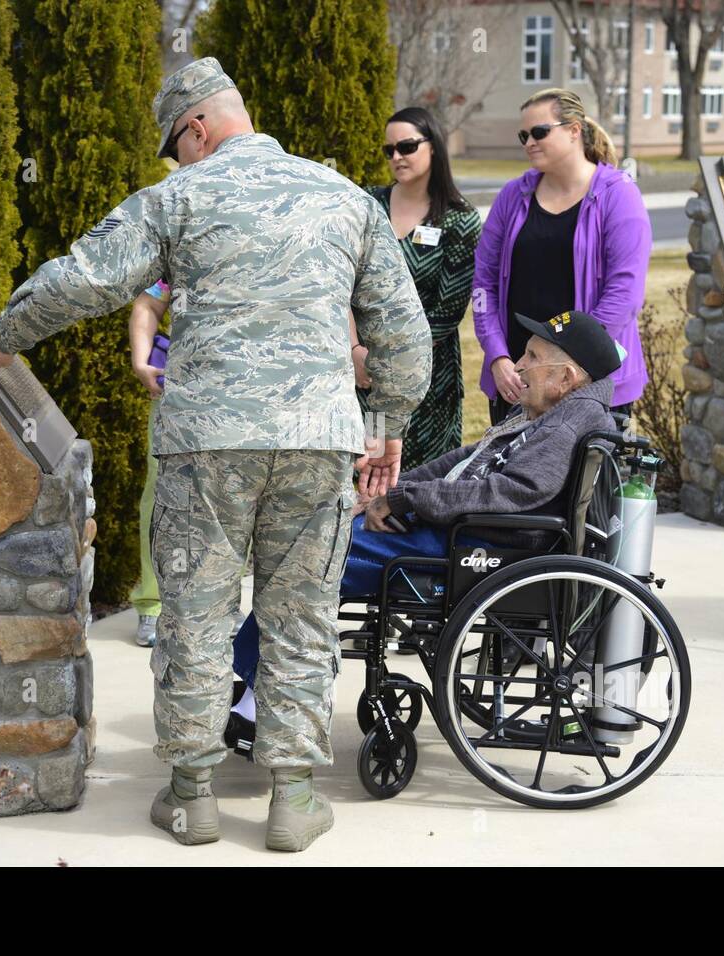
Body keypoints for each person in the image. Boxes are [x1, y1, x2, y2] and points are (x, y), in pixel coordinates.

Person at [0, 57, 431, 853]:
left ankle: (191, 798)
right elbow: (407, 337)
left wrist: (4, 336)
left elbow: (84, 279)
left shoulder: (178, 197)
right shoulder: (347, 199)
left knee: (196, 616)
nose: (176, 159)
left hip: (206, 443)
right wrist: (385, 419)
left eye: (175, 145)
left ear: (198, 127)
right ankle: (292, 800)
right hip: (317, 441)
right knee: (302, 619)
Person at [232, 309, 624, 687]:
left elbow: (511, 492)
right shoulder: (551, 410)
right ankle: (257, 679)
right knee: (317, 542)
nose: (518, 365)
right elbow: (467, 458)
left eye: (532, 357)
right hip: (464, 535)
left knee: (314, 556)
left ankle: (253, 685)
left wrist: (407, 500)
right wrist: (388, 494)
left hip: (478, 546)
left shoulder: (566, 423)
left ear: (567, 378)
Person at [473, 88, 651, 425]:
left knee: (584, 480)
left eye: (539, 132)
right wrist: (497, 356)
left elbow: (625, 293)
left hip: (590, 381)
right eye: (523, 135)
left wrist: (569, 367)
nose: (529, 142)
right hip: (516, 380)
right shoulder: (513, 195)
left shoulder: (618, 195)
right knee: (511, 478)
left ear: (574, 130)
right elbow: (483, 284)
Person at [351, 107, 482, 472]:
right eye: (388, 150)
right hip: (363, 370)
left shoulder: (459, 218)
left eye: (406, 146)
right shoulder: (367, 205)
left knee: (421, 476)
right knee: (368, 463)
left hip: (428, 372)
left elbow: (448, 310)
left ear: (434, 146)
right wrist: (356, 352)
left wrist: (395, 360)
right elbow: (344, 287)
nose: (396, 157)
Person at [128, 280, 171, 647]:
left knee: (235, 493)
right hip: (178, 390)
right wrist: (141, 358)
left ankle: (226, 599)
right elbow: (150, 303)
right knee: (162, 493)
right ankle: (153, 604)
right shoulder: (184, 234)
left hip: (252, 393)